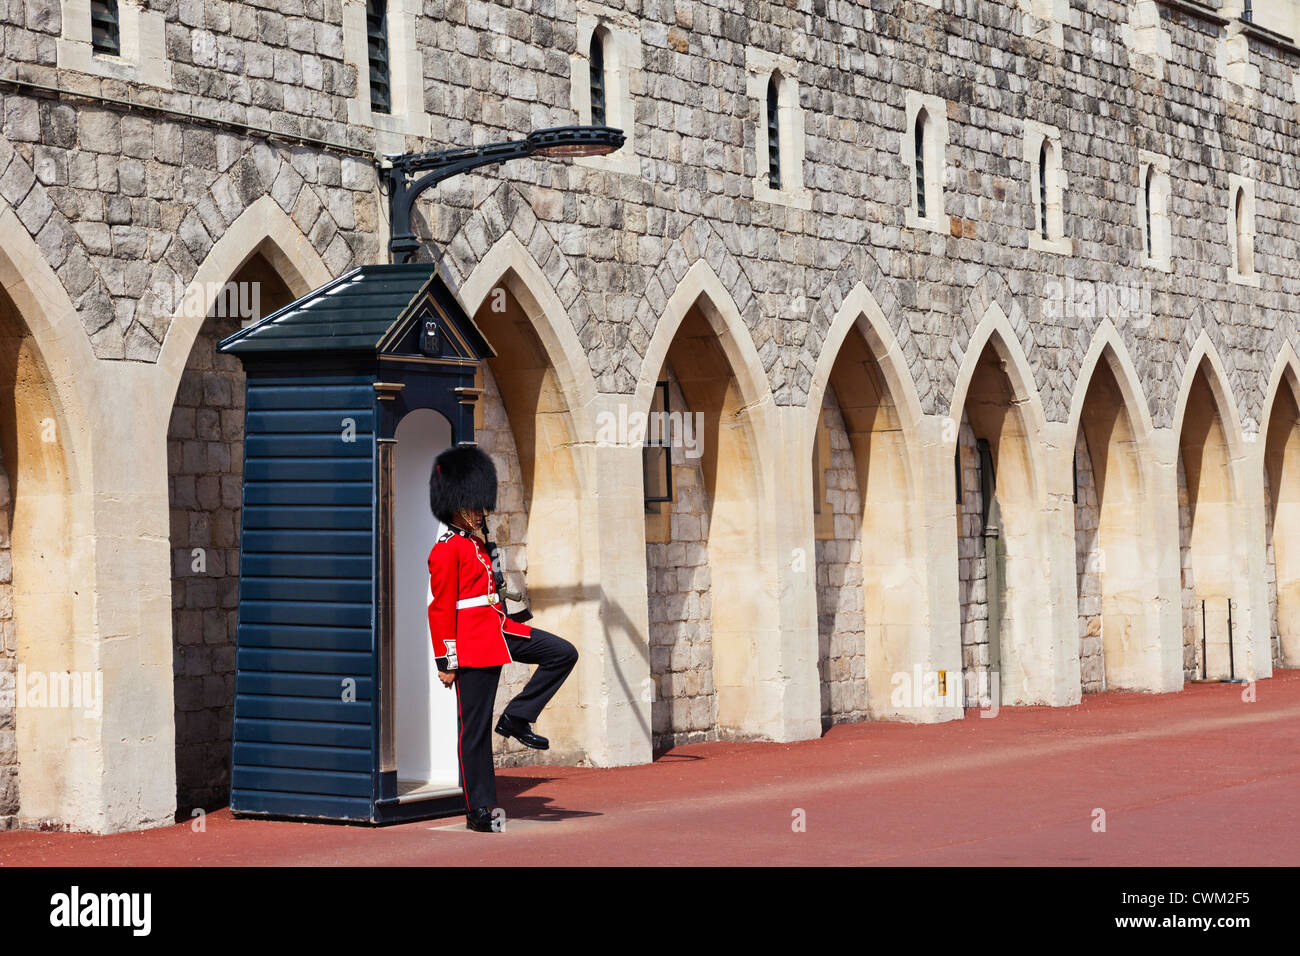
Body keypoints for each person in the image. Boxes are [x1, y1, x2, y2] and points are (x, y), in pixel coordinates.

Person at [426, 444, 579, 832]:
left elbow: (494, 589)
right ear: (457, 505)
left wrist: (514, 602)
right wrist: (447, 660)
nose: (481, 512)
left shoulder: (480, 544)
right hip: (473, 643)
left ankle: (517, 716)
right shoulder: (446, 549)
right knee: (474, 731)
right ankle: (479, 808)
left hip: (499, 630)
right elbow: (441, 607)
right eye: (475, 506)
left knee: (563, 653)